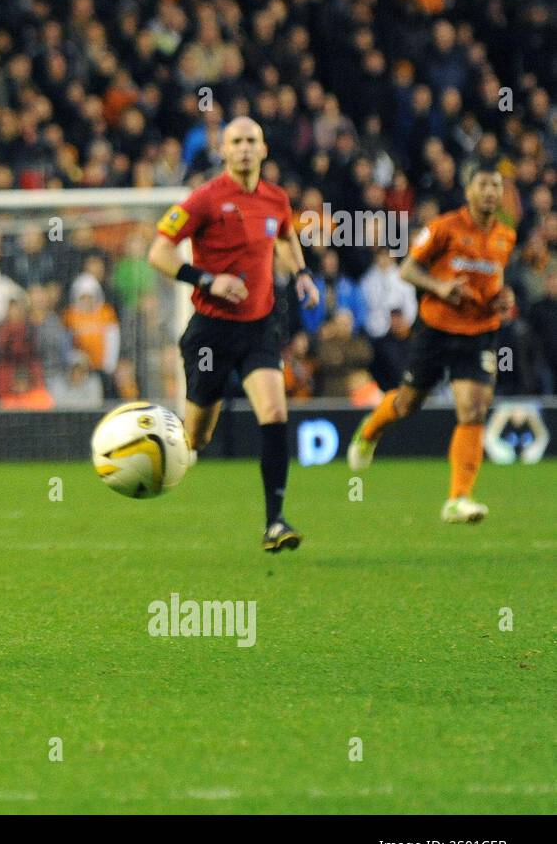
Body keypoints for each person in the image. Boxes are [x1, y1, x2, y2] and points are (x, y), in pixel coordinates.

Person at [148, 116, 320, 551]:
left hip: (259, 328)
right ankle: (150, 454)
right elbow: (159, 252)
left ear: (264, 149)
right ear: (223, 151)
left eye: (252, 141)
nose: (244, 148)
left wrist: (301, 273)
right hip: (210, 332)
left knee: (275, 414)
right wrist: (208, 280)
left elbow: (284, 236)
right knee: (198, 437)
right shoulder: (204, 199)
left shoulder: (277, 199)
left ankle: (275, 522)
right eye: (236, 141)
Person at [347, 161, 516, 523]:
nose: (490, 192)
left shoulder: (506, 235)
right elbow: (407, 270)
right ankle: (371, 429)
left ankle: (458, 498)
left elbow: (493, 283)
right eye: (484, 184)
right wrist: (440, 287)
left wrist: (502, 298)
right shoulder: (444, 228)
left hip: (479, 332)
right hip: (436, 330)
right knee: (407, 404)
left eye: (496, 186)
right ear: (469, 189)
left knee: (473, 409)